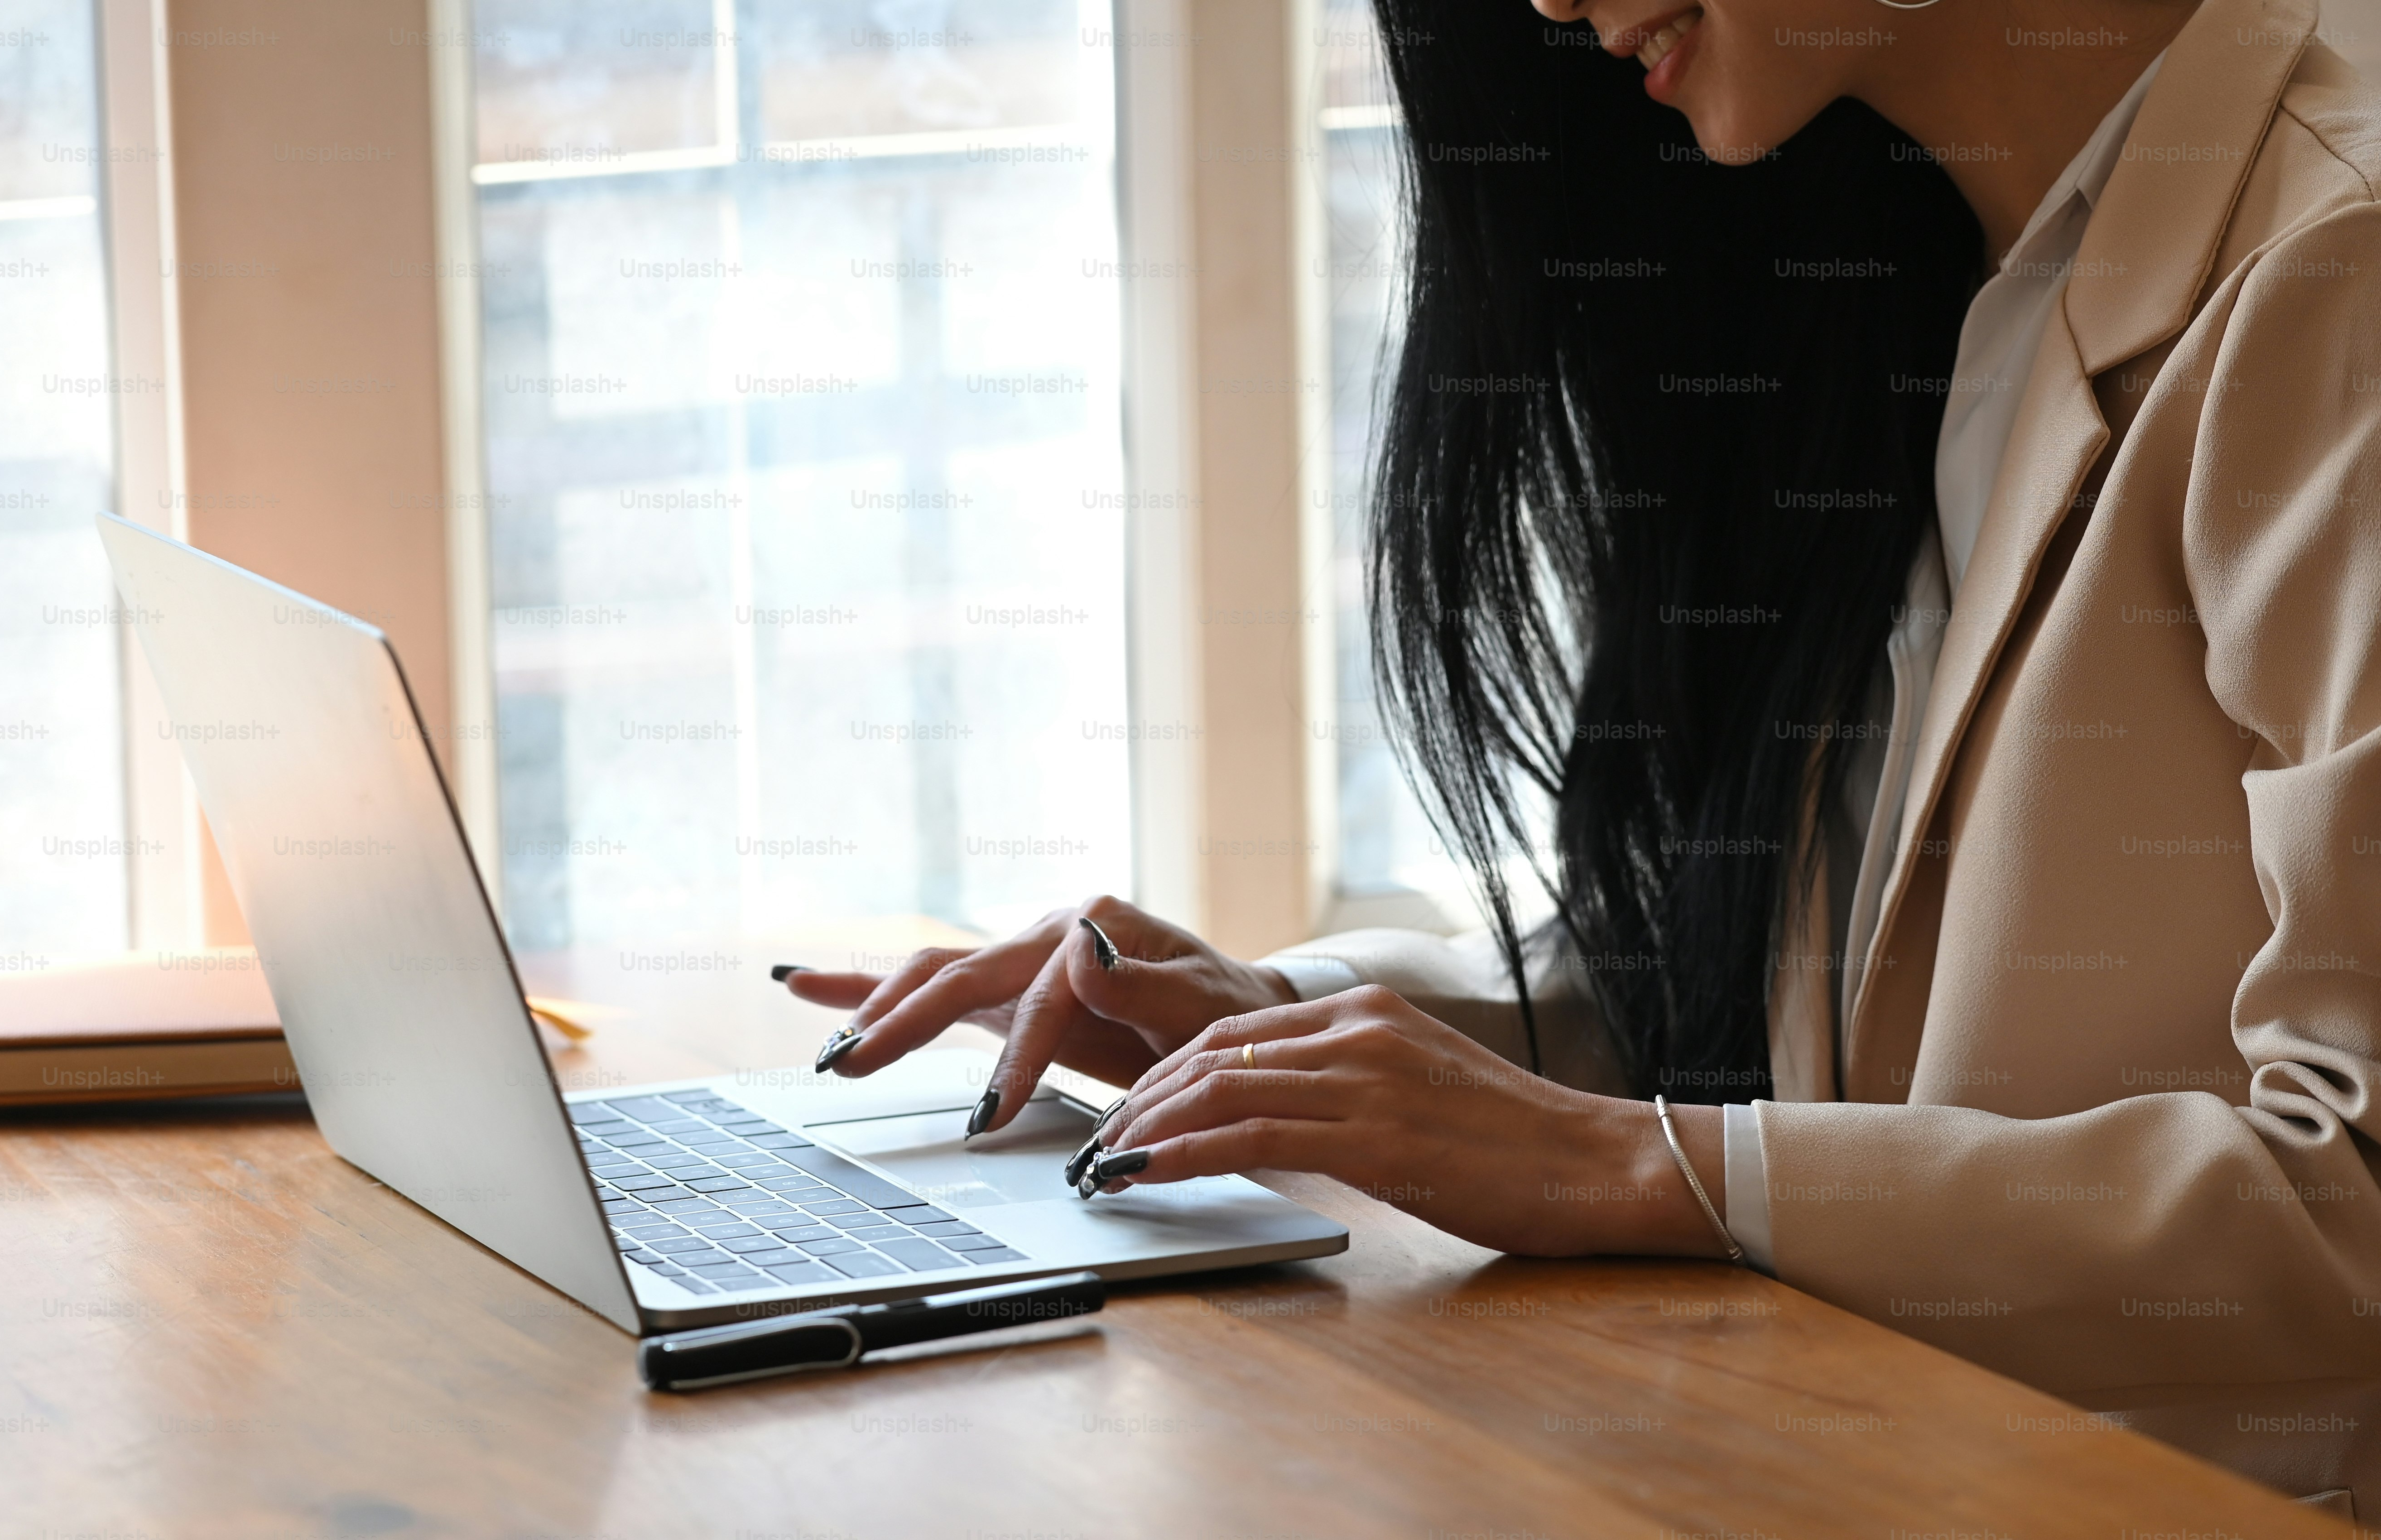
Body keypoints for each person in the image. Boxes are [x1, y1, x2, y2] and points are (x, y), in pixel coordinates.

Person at [783, 0, 2381, 1512]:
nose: (1546, 3)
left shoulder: (2342, 276)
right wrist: (1284, 1035)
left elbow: (2357, 1205)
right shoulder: (1937, 285)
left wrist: (1628, 1164)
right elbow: (1810, 1022)